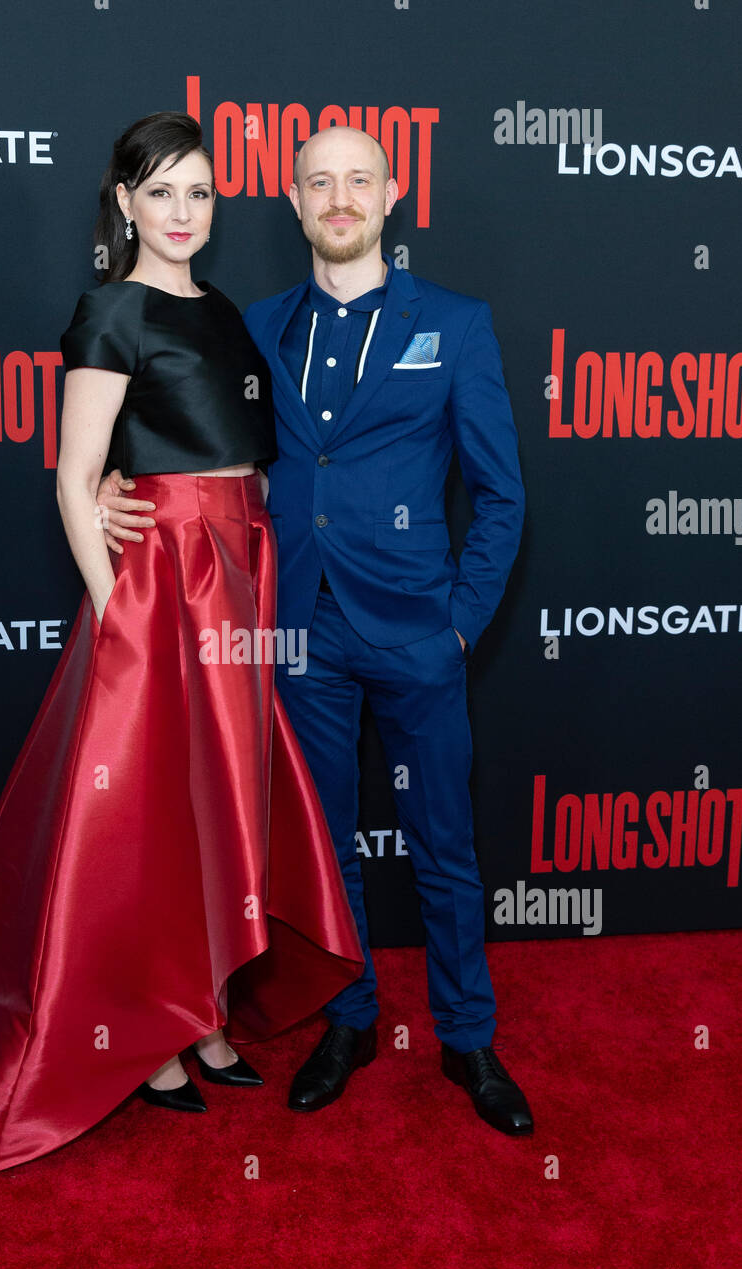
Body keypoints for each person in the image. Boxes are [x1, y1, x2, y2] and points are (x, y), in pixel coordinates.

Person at [0, 112, 364, 1176]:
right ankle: (140, 1041)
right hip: (162, 591)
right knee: (143, 818)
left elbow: (236, 456)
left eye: (199, 193)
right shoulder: (110, 312)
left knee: (214, 803)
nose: (183, 213)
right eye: (162, 193)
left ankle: (198, 1015)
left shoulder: (230, 316)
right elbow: (72, 474)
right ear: (124, 204)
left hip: (241, 573)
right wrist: (115, 611)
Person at [99, 125, 533, 1137]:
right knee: (323, 845)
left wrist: (460, 626)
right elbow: (198, 444)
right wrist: (118, 483)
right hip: (296, 637)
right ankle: (349, 1019)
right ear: (293, 204)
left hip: (419, 633)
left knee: (445, 846)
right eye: (318, 183)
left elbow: (501, 497)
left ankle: (468, 1037)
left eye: (358, 181)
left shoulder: (457, 325)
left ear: (391, 197)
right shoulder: (255, 326)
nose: (339, 199)